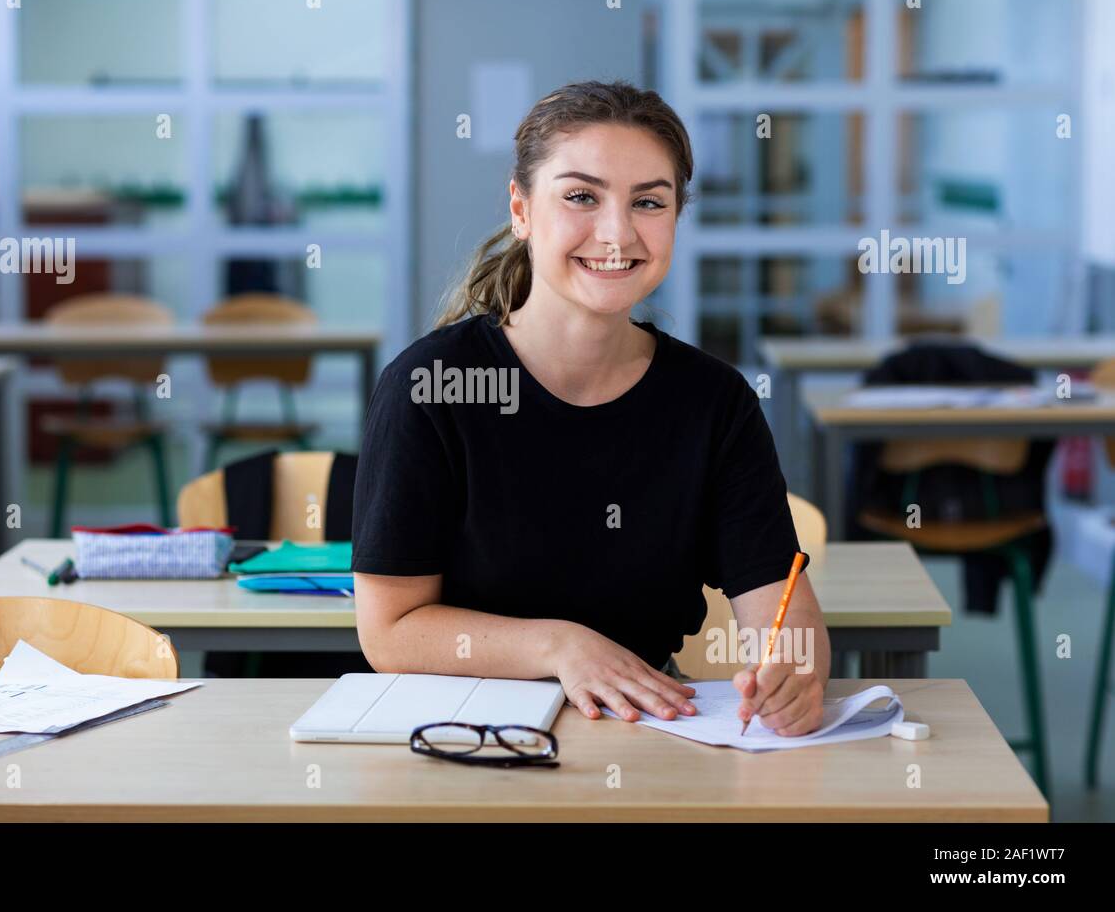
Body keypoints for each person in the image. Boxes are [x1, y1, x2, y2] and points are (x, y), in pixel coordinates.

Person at [353, 80, 829, 736]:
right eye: (581, 196)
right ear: (521, 209)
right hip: (461, 733)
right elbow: (389, 632)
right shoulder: (430, 385)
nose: (616, 233)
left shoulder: (715, 403)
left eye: (649, 202)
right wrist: (560, 646)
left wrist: (794, 670)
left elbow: (779, 606)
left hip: (644, 733)